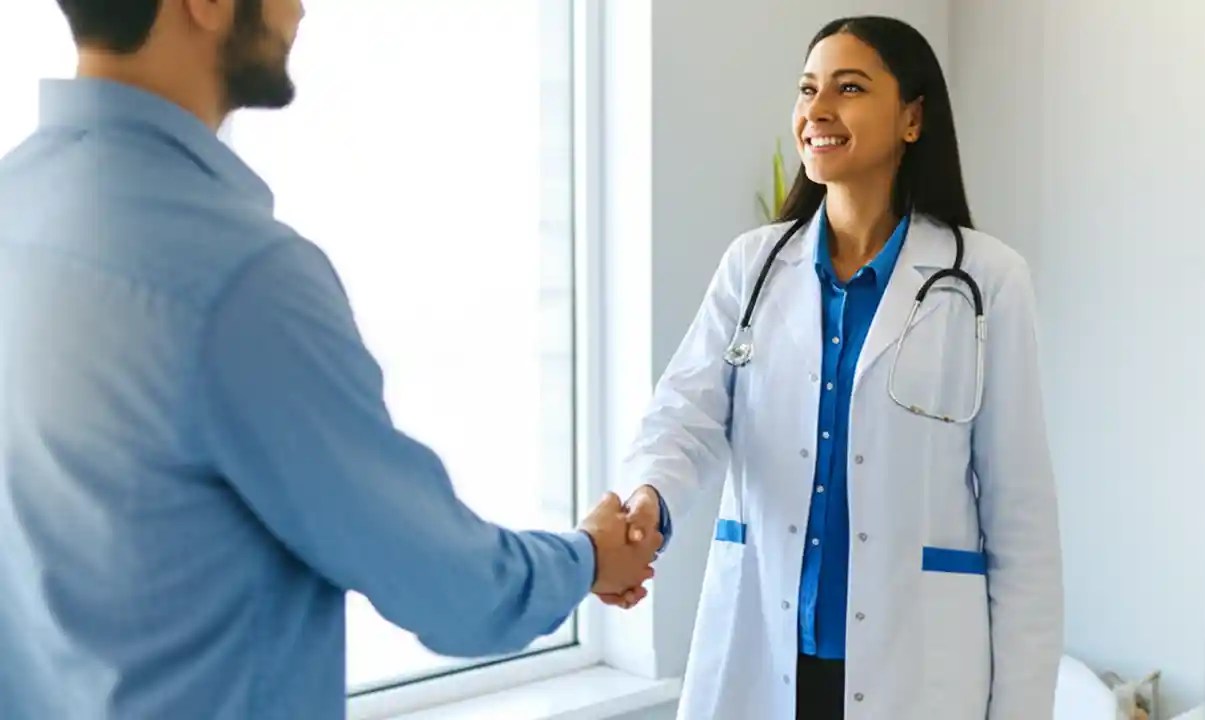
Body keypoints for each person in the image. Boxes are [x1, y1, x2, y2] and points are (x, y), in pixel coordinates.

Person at [0, 1, 658, 718]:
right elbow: (451, 589)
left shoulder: (17, 207)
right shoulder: (241, 279)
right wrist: (590, 557)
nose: (302, 6)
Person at [616, 16, 1064, 719]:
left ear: (912, 117)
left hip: (917, 667)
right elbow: (686, 416)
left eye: (848, 88)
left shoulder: (986, 280)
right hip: (763, 648)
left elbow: (1021, 517)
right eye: (806, 89)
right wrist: (648, 497)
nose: (816, 111)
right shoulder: (754, 265)